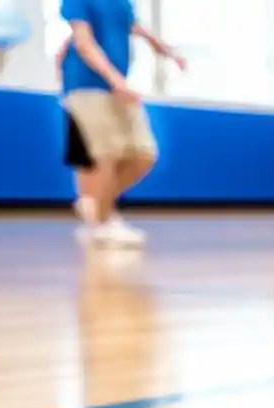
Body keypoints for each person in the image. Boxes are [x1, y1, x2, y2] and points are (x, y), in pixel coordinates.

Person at [60, 0, 183, 246]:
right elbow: (83, 42)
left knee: (143, 154)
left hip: (118, 86)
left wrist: (166, 50)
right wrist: (115, 80)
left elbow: (133, 26)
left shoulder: (123, 2)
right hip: (87, 85)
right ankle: (103, 223)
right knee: (106, 154)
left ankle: (94, 206)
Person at [55, 36, 97, 223]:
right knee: (84, 155)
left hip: (91, 99)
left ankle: (94, 200)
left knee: (96, 155)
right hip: (77, 101)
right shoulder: (76, 43)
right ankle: (87, 200)